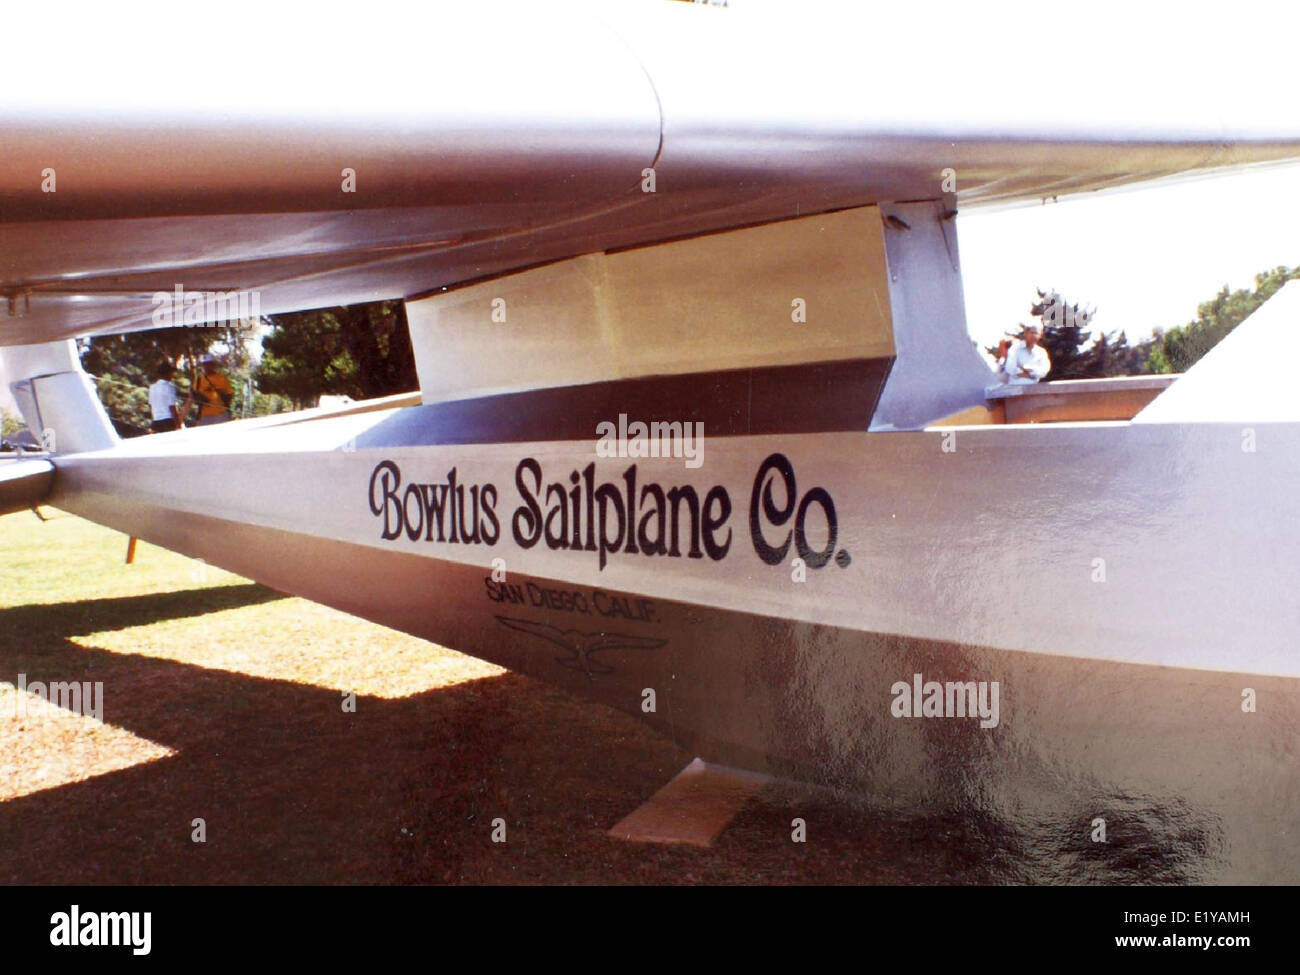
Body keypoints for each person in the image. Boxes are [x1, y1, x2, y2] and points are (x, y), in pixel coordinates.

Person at [191, 355, 234, 425]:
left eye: (209, 364)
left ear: (213, 365)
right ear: (202, 366)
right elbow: (194, 397)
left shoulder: (221, 379)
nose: (206, 366)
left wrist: (221, 394)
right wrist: (201, 398)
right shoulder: (199, 381)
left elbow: (230, 395)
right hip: (205, 417)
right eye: (204, 364)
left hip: (221, 414)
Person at [147, 363, 185, 433]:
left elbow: (151, 406)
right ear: (168, 373)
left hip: (156, 421)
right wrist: (178, 424)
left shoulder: (152, 387)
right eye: (171, 373)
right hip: (168, 421)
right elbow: (172, 407)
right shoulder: (170, 387)